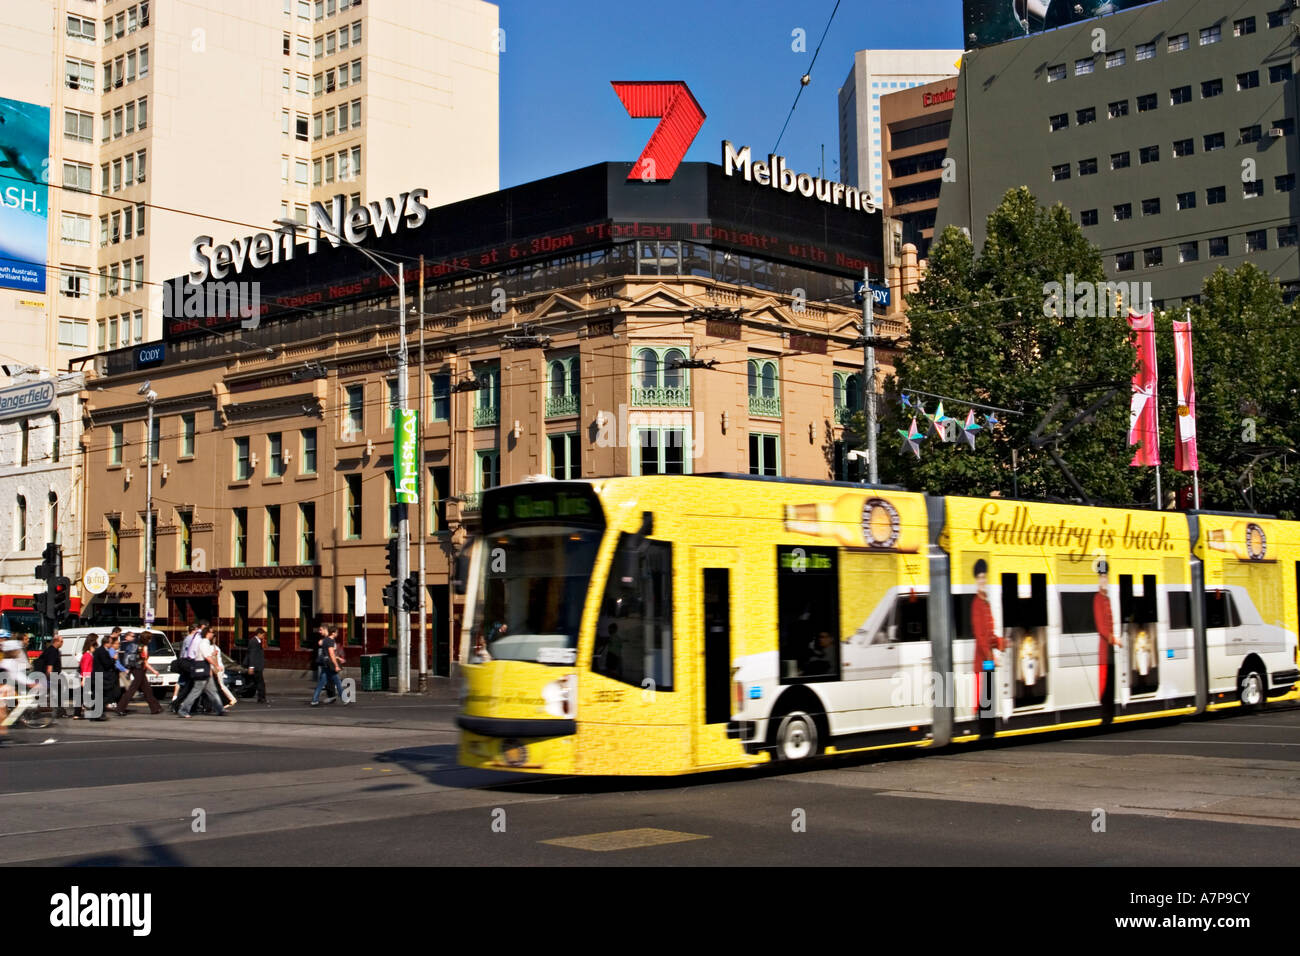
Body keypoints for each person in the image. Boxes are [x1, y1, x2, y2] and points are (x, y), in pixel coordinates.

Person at [971, 558, 1006, 734]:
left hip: (988, 657)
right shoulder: (977, 603)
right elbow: (980, 635)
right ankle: (985, 731)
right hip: (983, 658)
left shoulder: (986, 602)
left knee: (989, 693)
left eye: (984, 576)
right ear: (976, 579)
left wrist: (1001, 643)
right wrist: (991, 656)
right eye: (980, 577)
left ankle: (988, 730)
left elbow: (990, 634)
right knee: (985, 694)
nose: (983, 580)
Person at [1094, 559, 1122, 722]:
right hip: (1105, 648)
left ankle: (1109, 713)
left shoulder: (1107, 598)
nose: (1104, 580)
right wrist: (1114, 639)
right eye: (1102, 577)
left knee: (1111, 681)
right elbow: (1102, 628)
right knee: (1105, 682)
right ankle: (1105, 714)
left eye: (1106, 577)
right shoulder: (1098, 599)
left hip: (1110, 647)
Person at [178, 625, 225, 718]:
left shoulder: (205, 643)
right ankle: (183, 710)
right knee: (196, 691)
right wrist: (217, 665)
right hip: (202, 669)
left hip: (205, 670)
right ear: (207, 633)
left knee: (212, 691)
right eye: (212, 632)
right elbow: (207, 657)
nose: (213, 634)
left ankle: (220, 709)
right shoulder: (204, 642)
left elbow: (206, 655)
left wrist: (212, 657)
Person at [116, 630, 163, 715]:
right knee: (132, 689)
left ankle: (156, 707)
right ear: (147, 639)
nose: (151, 640)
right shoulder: (144, 647)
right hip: (139, 670)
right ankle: (120, 708)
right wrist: (154, 671)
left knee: (147, 689)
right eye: (150, 638)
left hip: (135, 669)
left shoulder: (136, 645)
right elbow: (145, 663)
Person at [310, 626, 345, 706]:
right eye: (336, 632)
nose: (337, 634)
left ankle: (314, 700)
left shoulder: (325, 640)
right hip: (330, 664)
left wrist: (338, 658)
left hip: (325, 663)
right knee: (337, 681)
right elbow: (331, 654)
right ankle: (344, 698)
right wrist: (336, 665)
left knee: (321, 683)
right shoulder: (330, 641)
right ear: (333, 633)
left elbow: (326, 651)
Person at [90, 634, 121, 720]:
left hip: (99, 675)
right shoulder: (102, 651)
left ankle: (96, 714)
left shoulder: (101, 650)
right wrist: (114, 659)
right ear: (106, 643)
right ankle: (97, 714)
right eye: (110, 643)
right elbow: (106, 664)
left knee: (100, 695)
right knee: (103, 695)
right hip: (99, 676)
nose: (111, 644)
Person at [74, 635, 98, 719]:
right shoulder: (87, 655)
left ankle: (77, 713)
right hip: (87, 677)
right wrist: (83, 679)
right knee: (91, 694)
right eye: (95, 645)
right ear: (92, 645)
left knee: (81, 695)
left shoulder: (87, 654)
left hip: (86, 676)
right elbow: (85, 668)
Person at [212, 635, 237, 709]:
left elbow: (215, 658)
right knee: (219, 685)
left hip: (218, 668)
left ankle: (231, 699)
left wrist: (216, 668)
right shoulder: (215, 647)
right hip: (219, 667)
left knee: (221, 685)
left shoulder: (214, 647)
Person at [245, 626, 267, 704]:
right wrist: (251, 666)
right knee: (260, 683)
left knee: (257, 682)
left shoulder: (258, 641)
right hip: (256, 666)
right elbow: (252, 654)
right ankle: (261, 698)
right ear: (259, 634)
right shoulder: (254, 642)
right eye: (263, 635)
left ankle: (261, 697)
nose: (263, 637)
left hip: (257, 665)